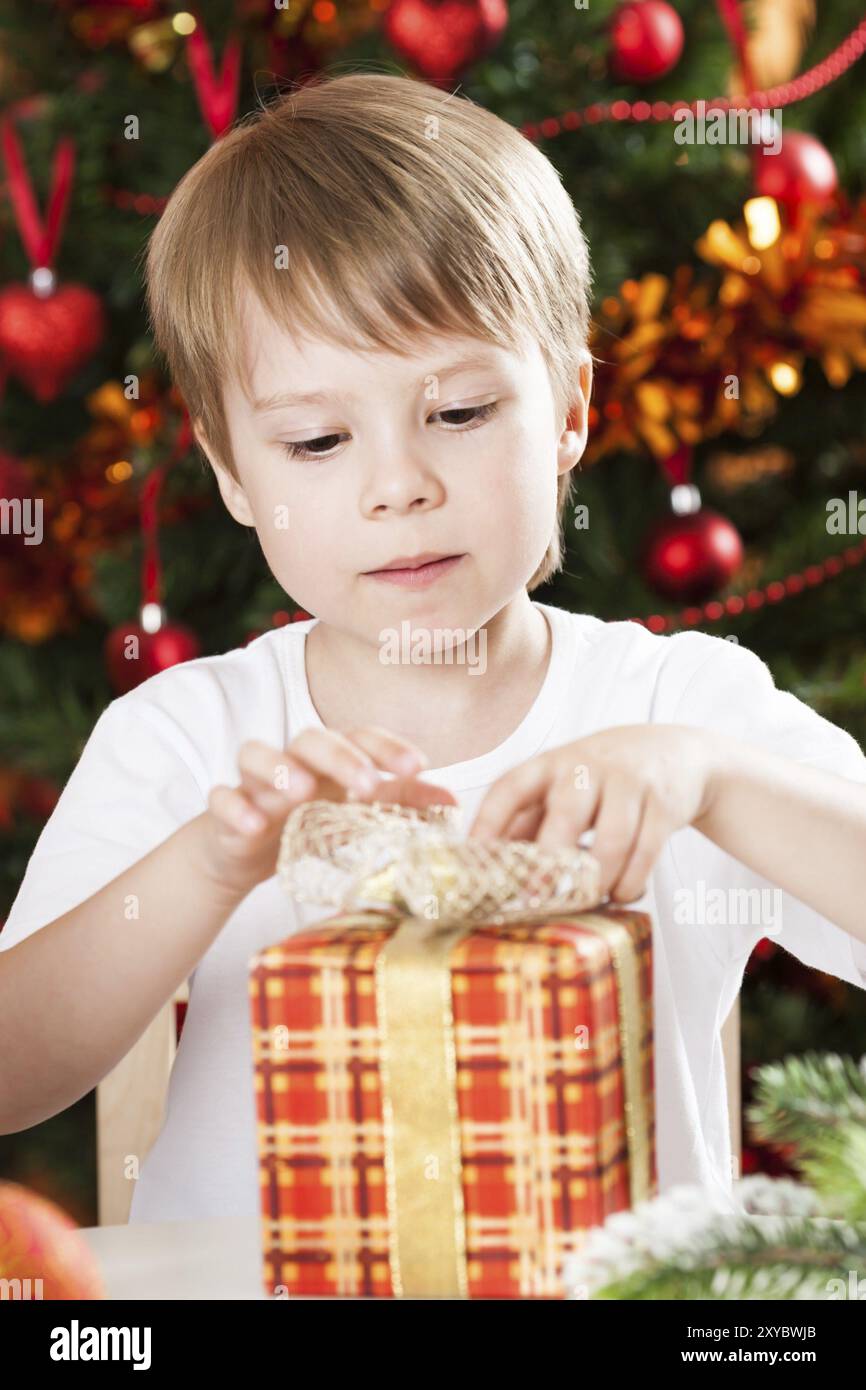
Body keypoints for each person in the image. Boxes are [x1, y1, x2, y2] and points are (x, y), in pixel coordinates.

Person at [1, 72, 865, 1230]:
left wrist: (711, 780)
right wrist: (210, 862)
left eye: (458, 414)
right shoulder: (188, 738)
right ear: (232, 475)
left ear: (566, 413)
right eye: (316, 439)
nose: (398, 485)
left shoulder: (676, 704)